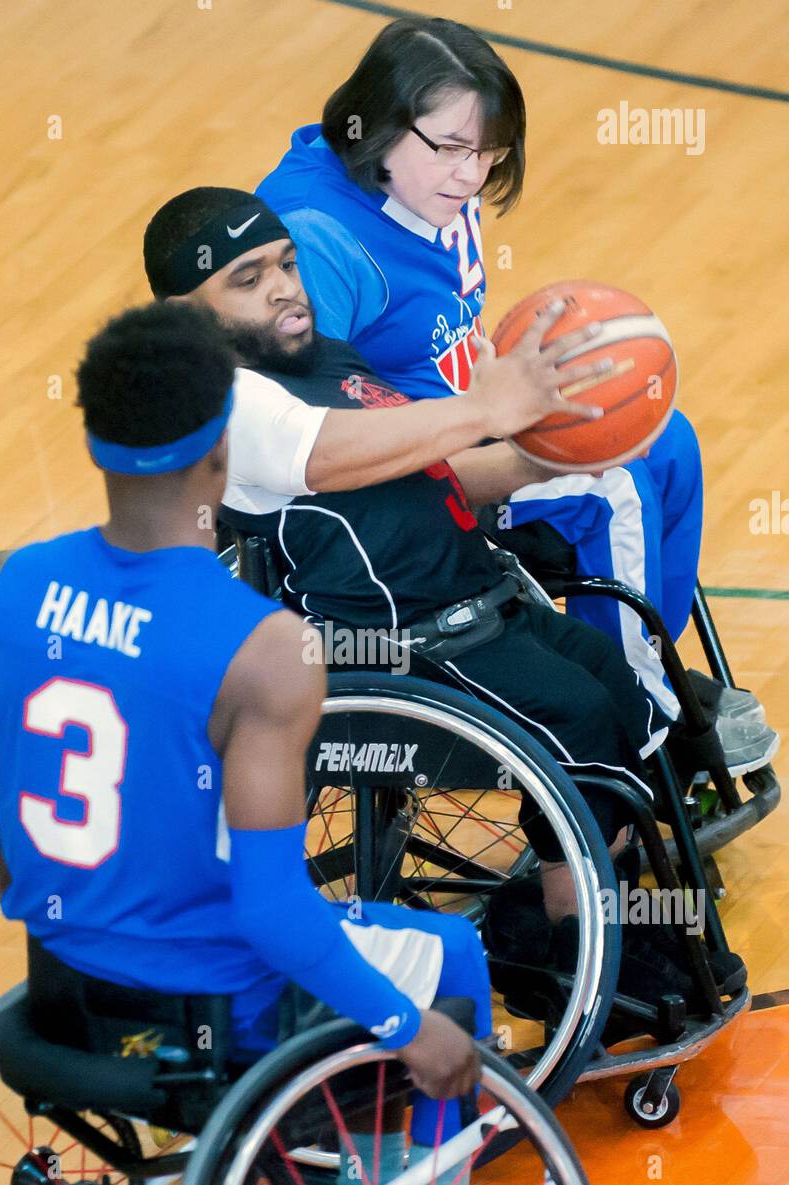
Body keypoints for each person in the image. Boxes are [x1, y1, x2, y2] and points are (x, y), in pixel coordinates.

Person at [0, 300, 493, 1185]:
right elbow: (273, 910)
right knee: (451, 953)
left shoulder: (13, 583)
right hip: (215, 1004)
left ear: (96, 442)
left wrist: (70, 914)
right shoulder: (265, 646)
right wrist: (411, 1028)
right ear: (223, 447)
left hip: (62, 987)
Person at [255, 15, 777, 771]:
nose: (471, 174)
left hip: (474, 415)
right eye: (452, 148)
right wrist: (507, 439)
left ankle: (643, 675)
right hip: (409, 480)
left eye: (488, 152)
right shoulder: (321, 244)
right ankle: (638, 731)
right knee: (613, 485)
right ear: (378, 122)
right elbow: (318, 441)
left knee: (667, 439)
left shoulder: (417, 173)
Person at [143, 186, 674, 924]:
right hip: (393, 648)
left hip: (475, 613)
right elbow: (325, 458)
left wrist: (544, 460)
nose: (285, 290)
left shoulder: (324, 355)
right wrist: (484, 409)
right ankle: (583, 958)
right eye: (248, 279)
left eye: (286, 265)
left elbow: (432, 470)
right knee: (576, 723)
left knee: (610, 682)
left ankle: (588, 902)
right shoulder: (222, 403)